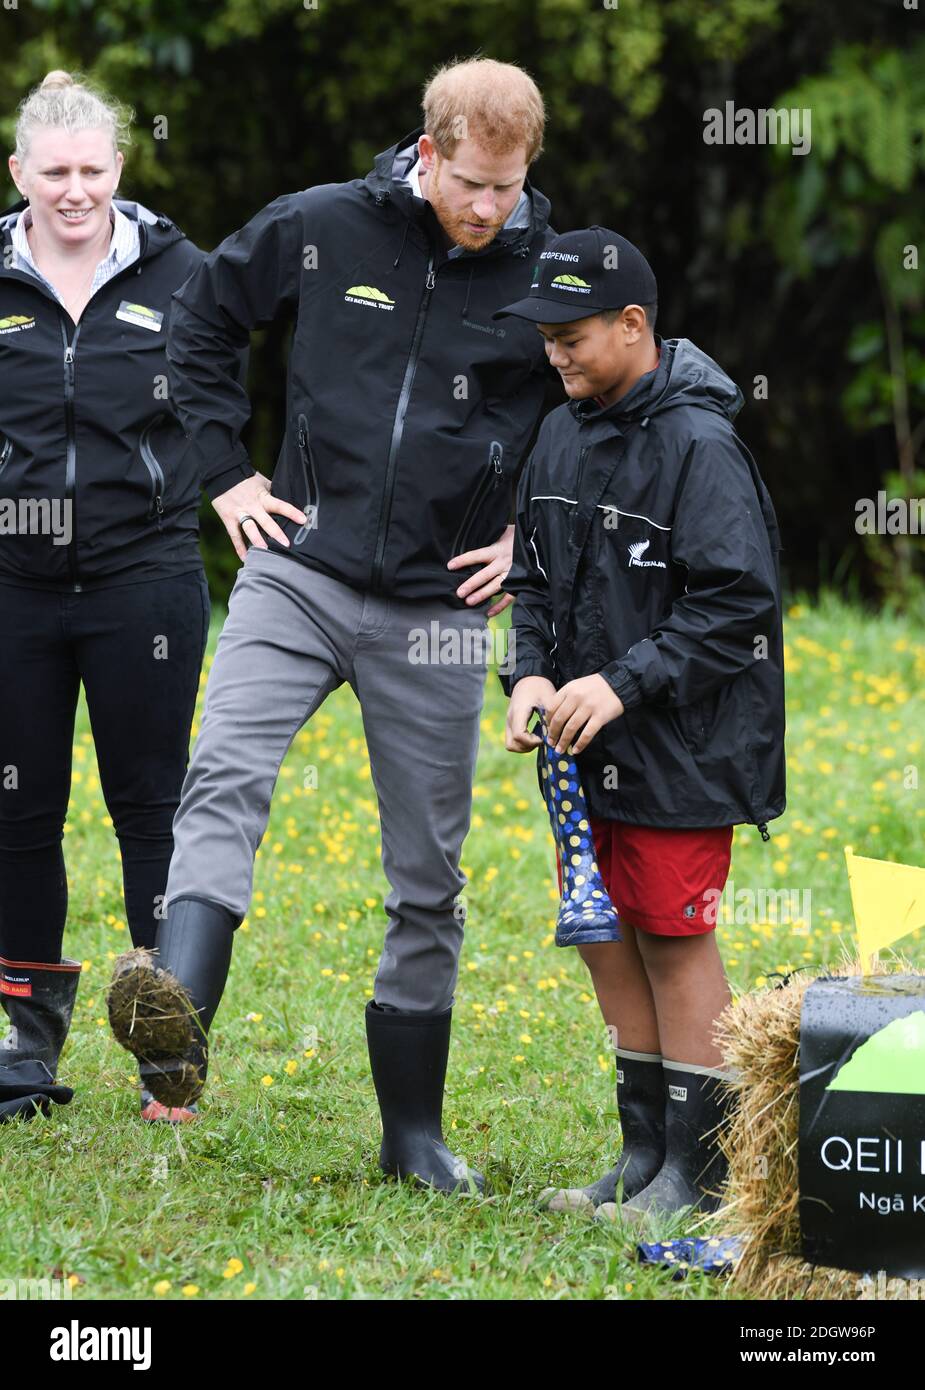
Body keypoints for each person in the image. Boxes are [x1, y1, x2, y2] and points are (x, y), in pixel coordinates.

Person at [106, 57, 560, 1192]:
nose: (483, 208)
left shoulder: (548, 274)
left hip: (438, 613)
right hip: (296, 568)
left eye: (505, 189)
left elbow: (597, 410)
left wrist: (530, 537)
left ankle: (413, 1136)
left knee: (428, 876)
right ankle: (178, 1022)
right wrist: (223, 473)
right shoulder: (321, 227)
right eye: (466, 183)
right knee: (223, 776)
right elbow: (199, 319)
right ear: (426, 152)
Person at [499, 226, 785, 1222]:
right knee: (607, 936)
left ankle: (699, 1175)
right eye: (543, 334)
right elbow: (529, 575)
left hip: (684, 745)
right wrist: (527, 675)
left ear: (633, 324)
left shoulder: (700, 442)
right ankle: (640, 1154)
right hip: (584, 755)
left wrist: (621, 682)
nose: (554, 351)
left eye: (572, 333)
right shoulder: (558, 429)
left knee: (671, 936)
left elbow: (734, 604)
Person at [0, 71, 254, 1126]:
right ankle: (27, 1046)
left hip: (143, 577)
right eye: (52, 172)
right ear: (17, 174)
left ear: (119, 171)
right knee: (18, 814)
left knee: (151, 808)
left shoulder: (181, 273)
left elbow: (220, 402)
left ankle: (169, 1052)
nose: (73, 190)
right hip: (12, 582)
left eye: (91, 170)